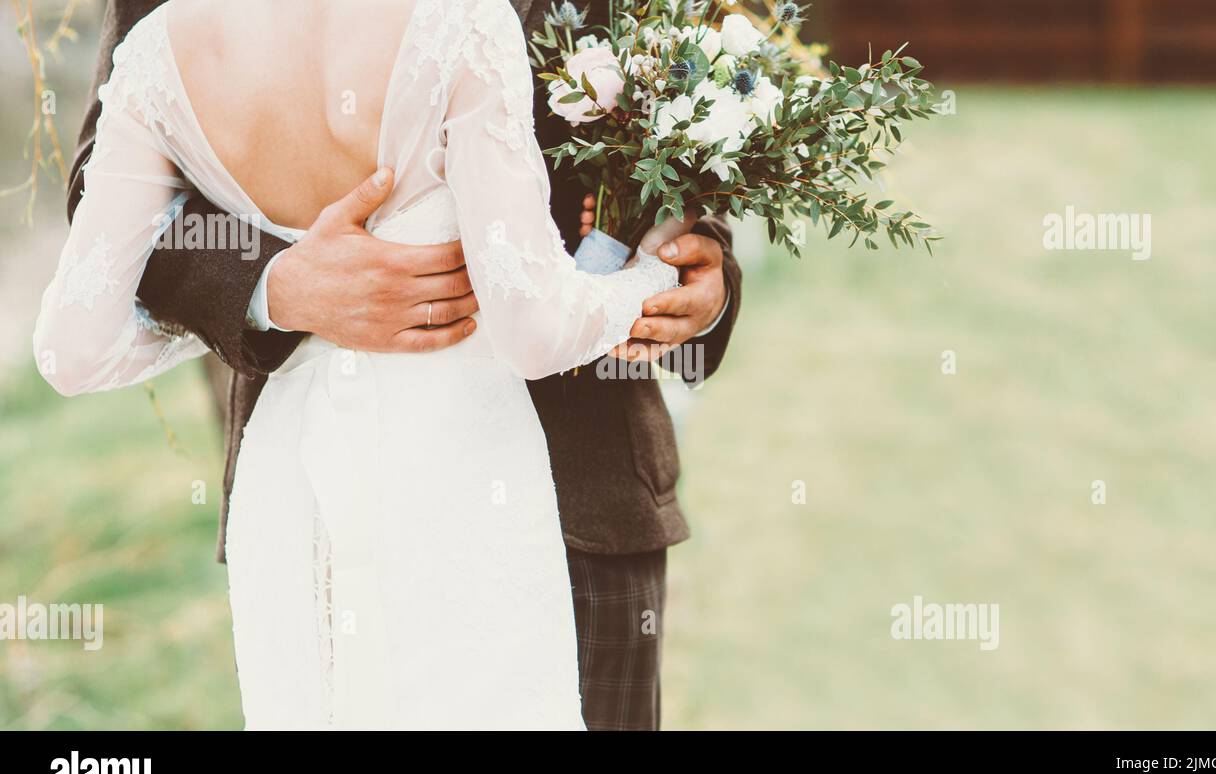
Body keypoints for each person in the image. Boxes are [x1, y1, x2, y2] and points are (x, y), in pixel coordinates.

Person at [41, 0, 743, 729]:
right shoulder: (467, 21)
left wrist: (699, 276)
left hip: (581, 488)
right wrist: (275, 290)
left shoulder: (164, 52)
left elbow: (77, 334)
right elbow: (101, 181)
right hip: (397, 490)